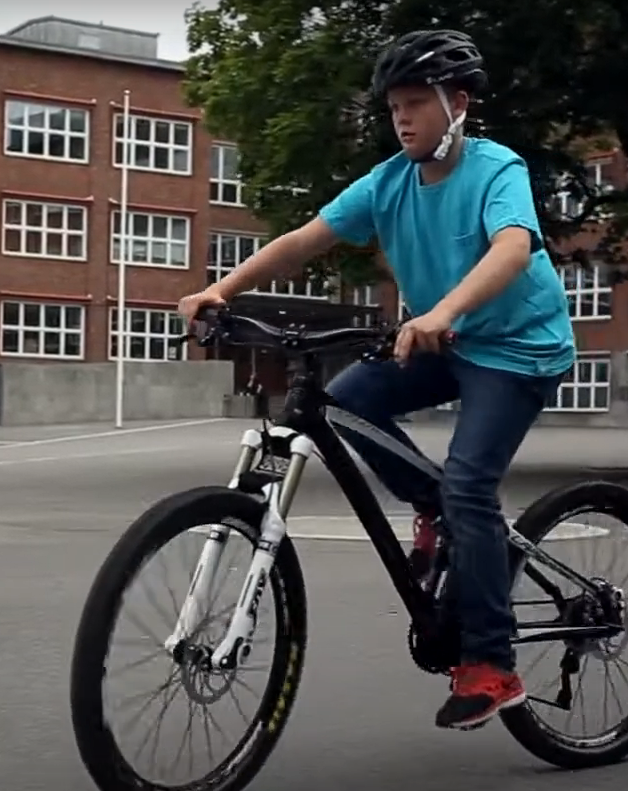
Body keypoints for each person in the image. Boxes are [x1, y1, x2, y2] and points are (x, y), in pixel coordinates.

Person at [175, 28, 576, 731]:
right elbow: (305, 239)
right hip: (443, 338)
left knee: (470, 484)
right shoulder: (388, 180)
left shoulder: (495, 168)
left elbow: (512, 248)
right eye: (394, 105)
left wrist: (444, 311)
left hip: (515, 349)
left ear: (457, 104)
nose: (402, 117)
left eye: (416, 102)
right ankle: (435, 511)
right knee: (345, 400)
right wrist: (221, 291)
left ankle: (490, 665)